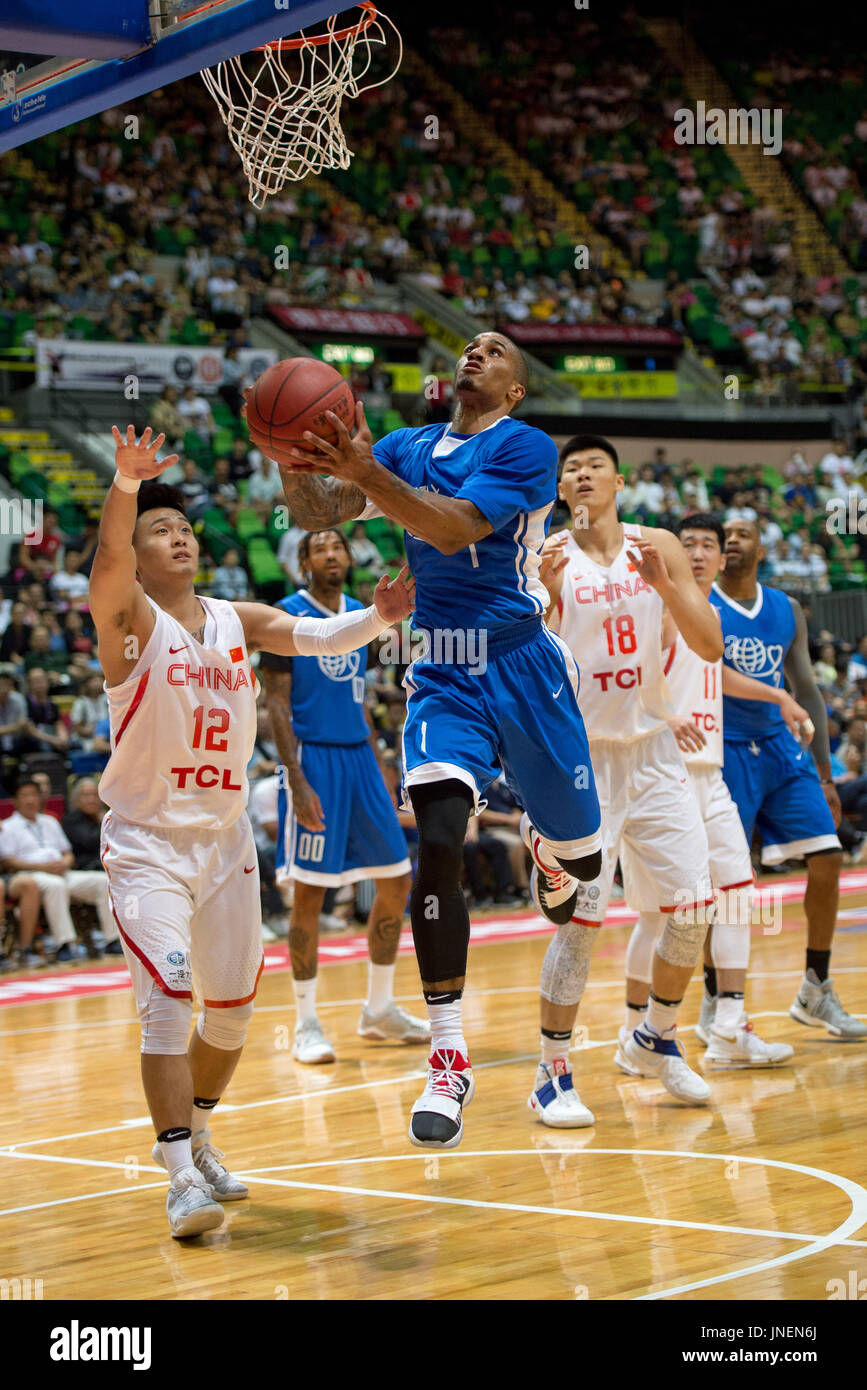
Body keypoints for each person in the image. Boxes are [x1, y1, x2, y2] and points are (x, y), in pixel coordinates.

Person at [257, 331, 603, 1150]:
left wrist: (363, 470)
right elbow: (315, 511)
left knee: (585, 868)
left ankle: (552, 850)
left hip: (523, 660)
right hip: (442, 665)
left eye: (495, 349)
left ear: (515, 388)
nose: (474, 353)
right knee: (440, 840)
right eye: (468, 346)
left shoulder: (523, 446)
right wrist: (288, 448)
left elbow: (449, 530)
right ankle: (448, 1054)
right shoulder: (406, 445)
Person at [89, 425, 415, 1238]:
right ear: (137, 552)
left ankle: (197, 1136)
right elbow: (104, 568)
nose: (180, 537)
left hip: (226, 841)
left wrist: (378, 617)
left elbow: (314, 638)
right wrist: (127, 487)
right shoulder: (128, 623)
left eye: (185, 528)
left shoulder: (234, 618)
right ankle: (175, 1178)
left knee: (230, 1014)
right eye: (161, 531)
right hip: (148, 844)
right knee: (165, 1004)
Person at [536, 436, 722, 1125]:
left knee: (694, 905)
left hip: (651, 753)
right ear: (560, 492)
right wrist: (545, 600)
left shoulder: (661, 546)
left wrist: (667, 587)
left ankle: (656, 1037)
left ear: (619, 479)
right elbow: (525, 658)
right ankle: (551, 1071)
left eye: (593, 466)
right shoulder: (546, 556)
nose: (581, 475)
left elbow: (707, 645)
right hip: (581, 761)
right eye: (569, 471)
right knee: (581, 926)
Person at [619, 513, 798, 1071]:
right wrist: (666, 716)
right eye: (687, 543)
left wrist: (779, 698)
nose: (696, 553)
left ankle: (728, 1026)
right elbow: (625, 675)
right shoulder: (656, 604)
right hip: (657, 774)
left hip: (710, 771)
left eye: (707, 546)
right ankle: (633, 1034)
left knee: (737, 895)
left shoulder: (710, 617)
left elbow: (715, 677)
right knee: (658, 917)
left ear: (723, 559)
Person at [261, 526, 427, 1063]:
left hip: (359, 755)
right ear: (303, 563)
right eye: (320, 548)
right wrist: (295, 777)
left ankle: (378, 1009)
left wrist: (380, 764)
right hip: (314, 759)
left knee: (398, 879)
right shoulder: (285, 613)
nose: (332, 553)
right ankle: (306, 1021)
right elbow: (277, 705)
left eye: (338, 545)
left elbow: (357, 696)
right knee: (311, 894)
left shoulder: (362, 611)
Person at [711, 518, 865, 1038]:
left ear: (763, 548)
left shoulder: (786, 608)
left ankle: (815, 989)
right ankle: (716, 998)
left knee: (828, 856)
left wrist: (825, 773)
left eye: (743, 534)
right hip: (723, 747)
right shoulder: (700, 602)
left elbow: (808, 690)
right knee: (728, 879)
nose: (732, 540)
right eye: (724, 534)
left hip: (780, 747)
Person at [0, 779, 115, 963]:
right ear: (15, 800)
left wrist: (65, 862)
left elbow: (67, 851)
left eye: (33, 795)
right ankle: (65, 944)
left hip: (61, 871)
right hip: (31, 874)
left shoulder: (50, 821)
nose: (30, 800)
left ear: (40, 798)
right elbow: (8, 861)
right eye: (25, 795)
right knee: (56, 886)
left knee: (102, 881)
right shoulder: (8, 826)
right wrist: (42, 867)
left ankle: (112, 940)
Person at [61, 778, 124, 955]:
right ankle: (112, 940)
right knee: (105, 882)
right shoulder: (71, 820)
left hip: (103, 869)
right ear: (76, 799)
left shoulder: (106, 817)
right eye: (85, 795)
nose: (91, 799)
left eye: (94, 795)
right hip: (82, 873)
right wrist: (100, 822)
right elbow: (89, 841)